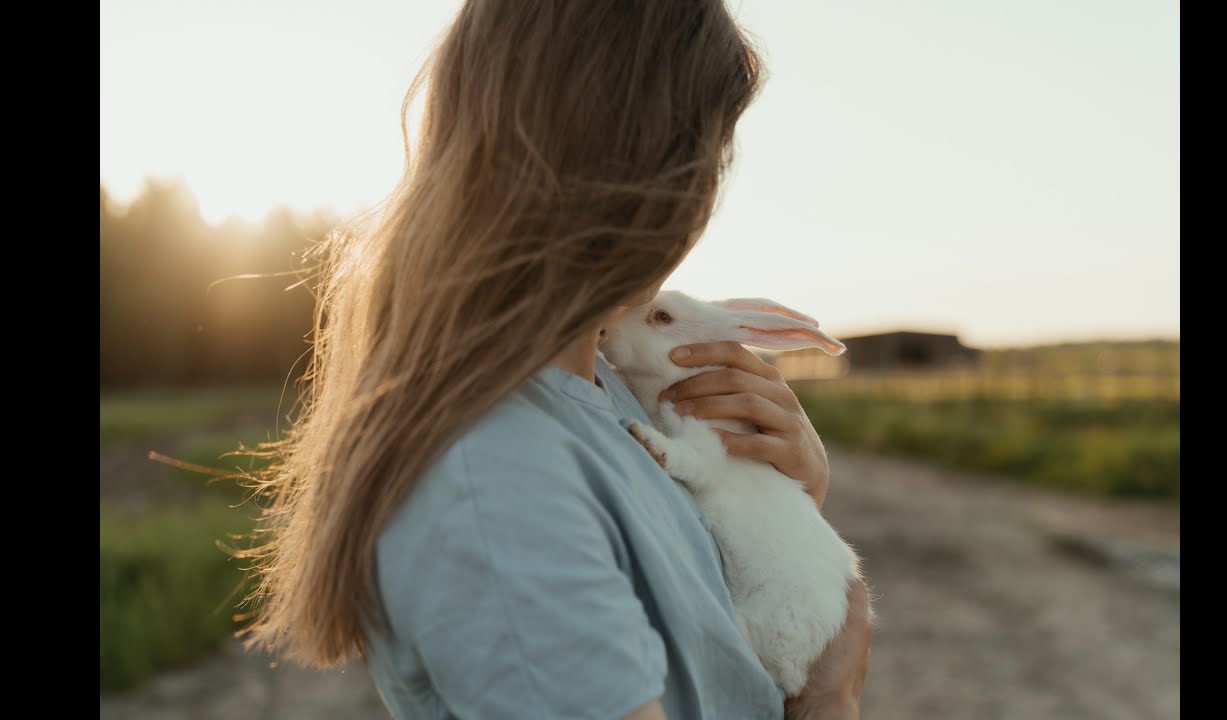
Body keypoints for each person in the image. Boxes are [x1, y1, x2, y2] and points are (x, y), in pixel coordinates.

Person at [237, 1, 872, 718]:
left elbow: (696, 633)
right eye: (709, 159)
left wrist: (783, 505)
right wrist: (829, 700)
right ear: (648, 171)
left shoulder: (603, 390)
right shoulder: (495, 482)